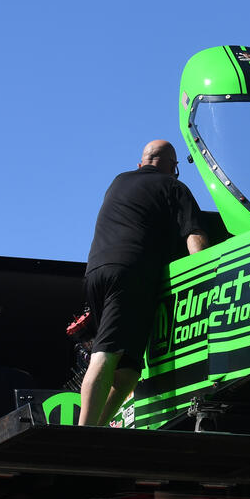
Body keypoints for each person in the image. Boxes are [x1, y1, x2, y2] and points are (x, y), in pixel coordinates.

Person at [79, 140, 208, 426]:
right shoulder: (173, 187)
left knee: (128, 372)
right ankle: (82, 433)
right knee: (106, 355)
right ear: (173, 168)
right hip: (130, 273)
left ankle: (97, 428)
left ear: (142, 163)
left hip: (95, 272)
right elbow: (194, 237)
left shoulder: (118, 182)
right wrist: (206, 275)